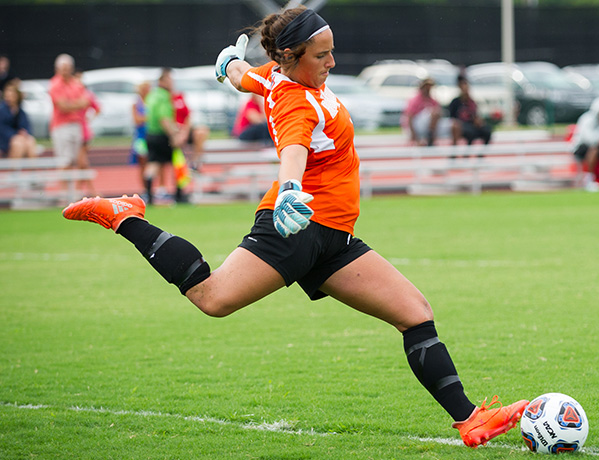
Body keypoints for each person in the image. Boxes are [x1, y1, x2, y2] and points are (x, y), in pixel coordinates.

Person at [62, 6, 527, 448]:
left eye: (330, 50)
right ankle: (123, 216)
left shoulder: (275, 76)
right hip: (295, 227)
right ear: (291, 57)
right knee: (212, 298)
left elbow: (247, 78)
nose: (332, 61)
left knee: (414, 312)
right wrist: (289, 189)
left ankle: (470, 420)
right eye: (322, 55)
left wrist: (229, 66)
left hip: (334, 238)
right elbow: (294, 148)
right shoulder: (296, 103)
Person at [143, 68, 187, 204]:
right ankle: (179, 195)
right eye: (169, 80)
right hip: (162, 135)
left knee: (153, 164)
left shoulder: (152, 94)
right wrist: (174, 134)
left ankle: (149, 195)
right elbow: (164, 118)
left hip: (151, 133)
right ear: (162, 81)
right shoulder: (163, 96)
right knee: (177, 163)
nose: (172, 83)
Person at [49, 54, 91, 173]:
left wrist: (70, 105)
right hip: (61, 125)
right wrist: (76, 104)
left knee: (74, 160)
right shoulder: (55, 84)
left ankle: (71, 190)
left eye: (67, 67)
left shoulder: (75, 83)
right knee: (64, 160)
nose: (66, 70)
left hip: (76, 124)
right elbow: (63, 106)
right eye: (63, 67)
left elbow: (86, 101)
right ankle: (63, 190)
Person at [403, 77, 450, 146]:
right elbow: (410, 116)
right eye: (427, 86)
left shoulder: (433, 100)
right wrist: (414, 135)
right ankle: (430, 136)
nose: (428, 89)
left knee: (454, 125)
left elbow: (439, 114)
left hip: (429, 126)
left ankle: (431, 137)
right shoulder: (415, 100)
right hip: (417, 125)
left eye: (430, 87)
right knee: (434, 113)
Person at [449, 75, 492, 146]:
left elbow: (475, 115)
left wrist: (478, 121)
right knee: (469, 132)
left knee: (487, 131)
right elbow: (453, 117)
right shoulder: (455, 102)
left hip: (472, 124)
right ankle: (465, 152)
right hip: (462, 124)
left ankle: (482, 153)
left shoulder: (471, 102)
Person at [172, 90, 210, 171]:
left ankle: (195, 162)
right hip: (172, 132)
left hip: (184, 130)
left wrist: (184, 131)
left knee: (202, 131)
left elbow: (188, 116)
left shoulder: (179, 98)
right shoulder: (163, 100)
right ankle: (182, 163)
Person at [0, 81, 38, 158]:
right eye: (7, 96)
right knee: (18, 144)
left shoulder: (20, 111)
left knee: (30, 141)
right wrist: (16, 134)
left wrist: (24, 133)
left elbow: (26, 126)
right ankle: (14, 168)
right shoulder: (2, 110)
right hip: (5, 139)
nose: (9, 98)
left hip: (18, 137)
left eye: (12, 96)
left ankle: (32, 168)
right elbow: (2, 128)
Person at [130, 81, 151, 183]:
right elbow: (137, 120)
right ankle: (145, 187)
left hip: (151, 135)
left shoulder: (152, 102)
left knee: (156, 163)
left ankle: (157, 187)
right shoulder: (136, 104)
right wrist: (149, 118)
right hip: (141, 137)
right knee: (143, 163)